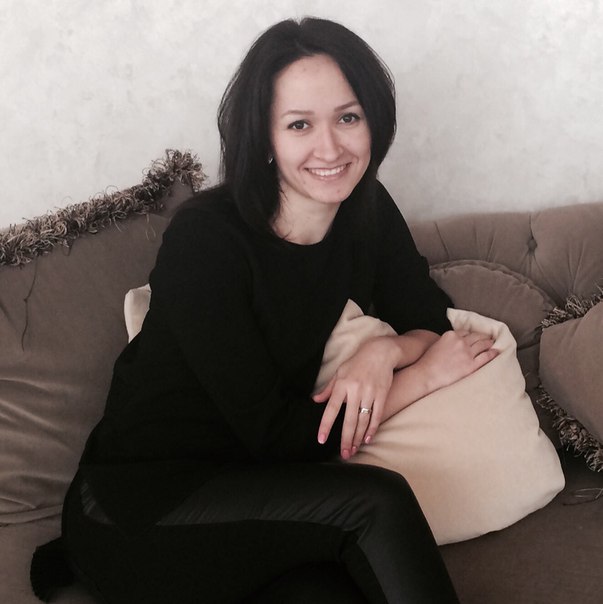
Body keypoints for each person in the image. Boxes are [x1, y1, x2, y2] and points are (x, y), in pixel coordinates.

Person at [33, 17, 497, 604]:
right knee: (376, 502)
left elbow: (426, 311)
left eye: (348, 117)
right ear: (264, 138)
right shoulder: (206, 239)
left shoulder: (366, 208)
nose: (330, 148)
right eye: (300, 124)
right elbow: (277, 435)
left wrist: (387, 353)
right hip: (142, 504)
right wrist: (422, 377)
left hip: (257, 494)